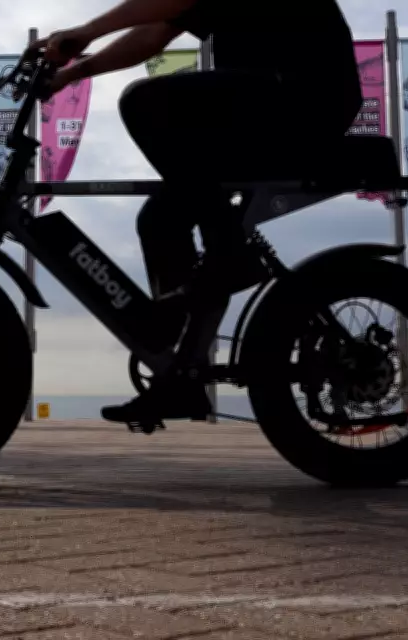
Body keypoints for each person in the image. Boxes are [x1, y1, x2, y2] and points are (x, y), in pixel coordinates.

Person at [33, 0, 362, 424]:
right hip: (263, 106)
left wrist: (85, 32)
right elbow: (152, 34)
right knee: (160, 220)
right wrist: (69, 74)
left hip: (306, 98)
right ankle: (182, 375)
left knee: (146, 101)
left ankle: (230, 255)